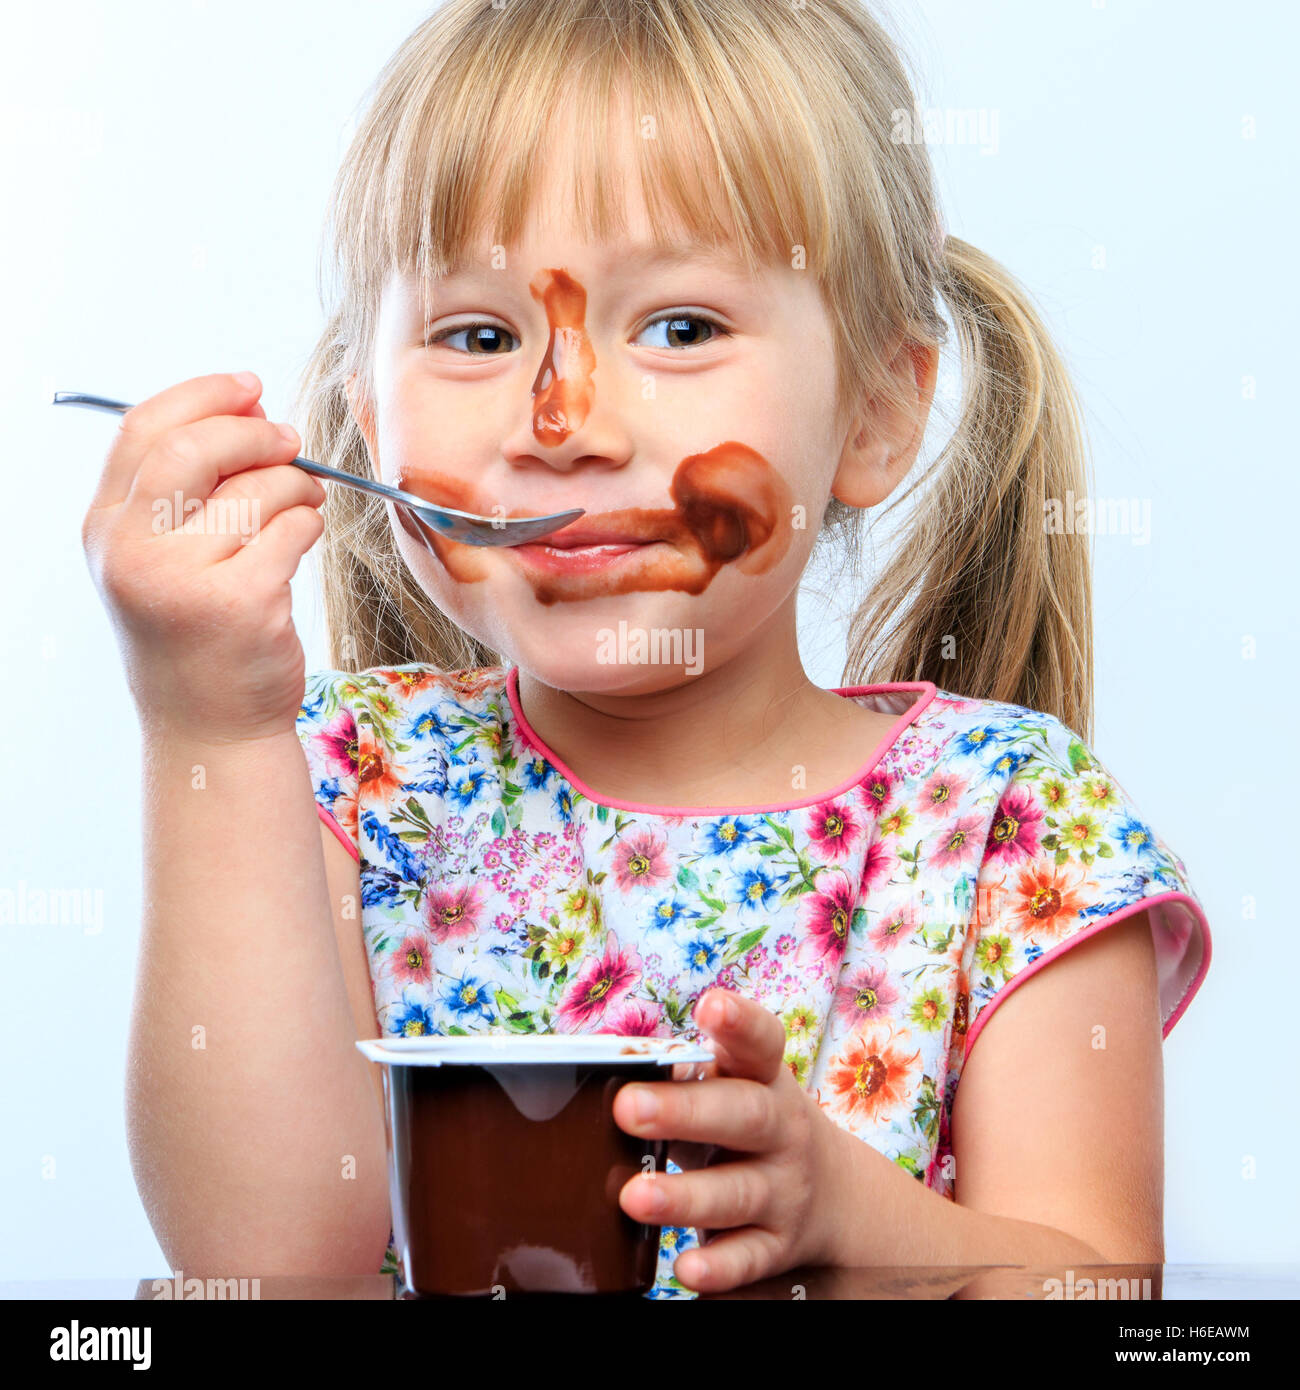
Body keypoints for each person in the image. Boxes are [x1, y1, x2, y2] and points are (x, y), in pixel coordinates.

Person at [83, 0, 1211, 1301]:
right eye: (479, 336)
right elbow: (261, 1275)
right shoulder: (343, 781)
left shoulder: (1013, 825)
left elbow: (1103, 1294)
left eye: (679, 328)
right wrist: (204, 724)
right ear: (364, 420)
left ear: (879, 409)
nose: (564, 420)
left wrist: (850, 1217)